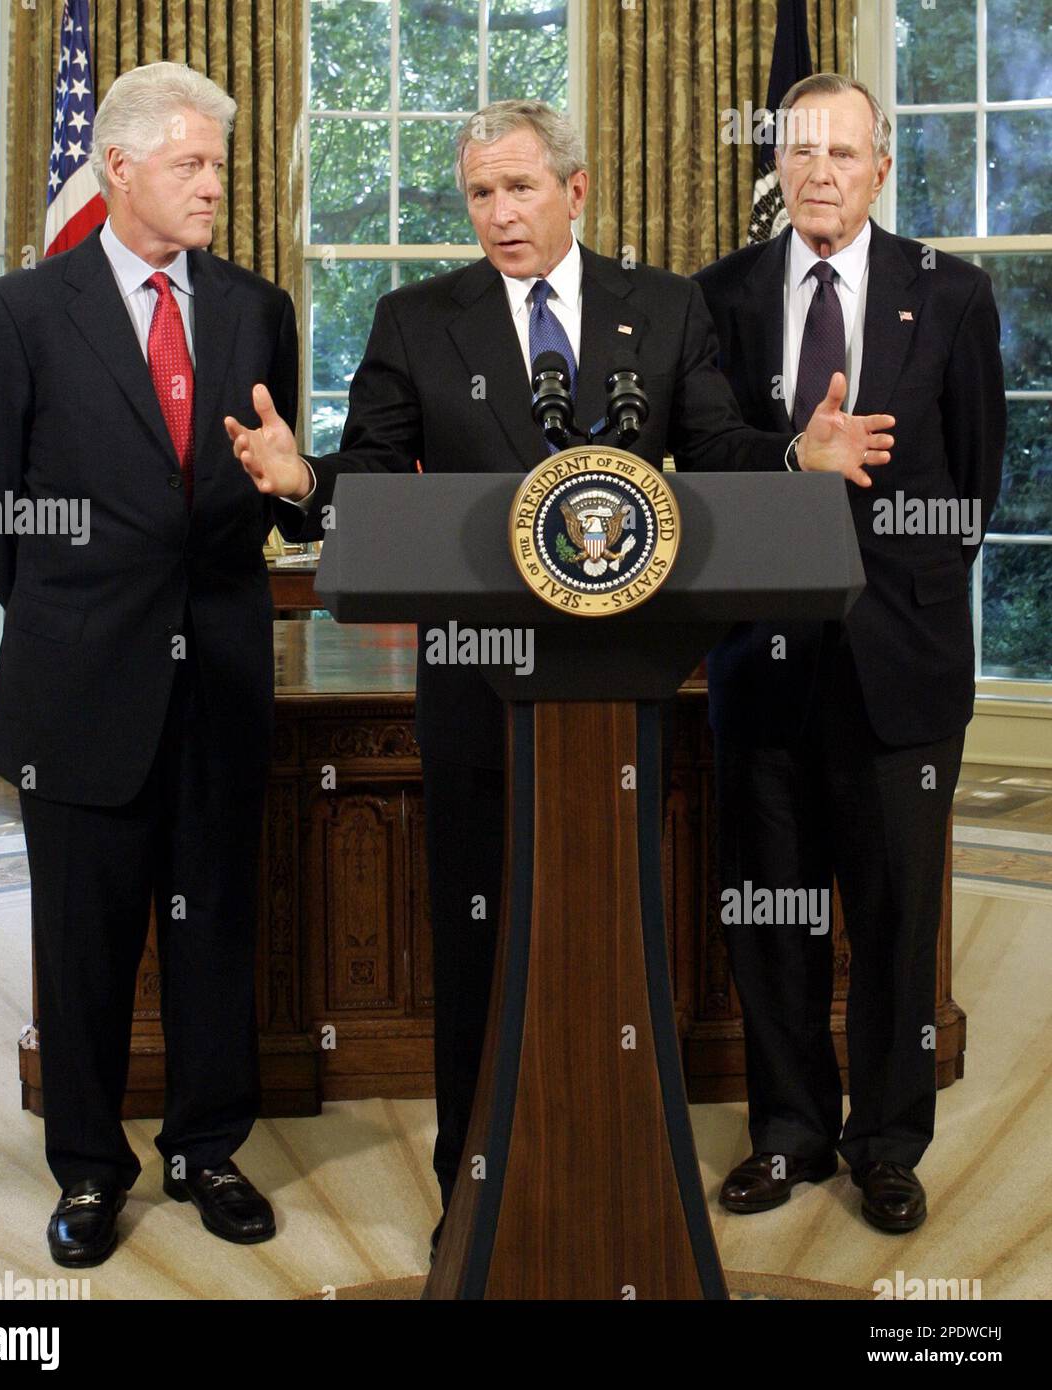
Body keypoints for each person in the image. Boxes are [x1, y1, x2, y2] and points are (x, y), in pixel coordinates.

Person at [224, 98, 896, 1262]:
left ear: (574, 191)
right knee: (479, 939)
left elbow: (720, 456)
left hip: (617, 692)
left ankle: (620, 1169)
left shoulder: (663, 306)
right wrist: (301, 480)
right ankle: (471, 1196)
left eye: (520, 189)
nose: (498, 215)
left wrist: (798, 456)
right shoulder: (415, 318)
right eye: (479, 194)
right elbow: (378, 478)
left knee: (609, 945)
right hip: (478, 694)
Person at [0, 62, 298, 1266]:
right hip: (78, 684)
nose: (213, 185)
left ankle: (207, 1147)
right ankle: (91, 1168)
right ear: (121, 167)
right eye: (192, 163)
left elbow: (267, 475)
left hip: (221, 684)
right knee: (85, 944)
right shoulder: (21, 314)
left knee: (212, 930)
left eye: (219, 165)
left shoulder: (255, 309)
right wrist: (67, 612)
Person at [687, 74, 1005, 1233]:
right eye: (798, 151)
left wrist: (904, 593)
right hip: (761, 663)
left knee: (893, 917)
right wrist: (791, 458)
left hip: (900, 668)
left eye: (842, 152)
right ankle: (787, 1130)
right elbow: (700, 463)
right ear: (774, 164)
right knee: (769, 913)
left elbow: (972, 479)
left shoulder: (951, 294)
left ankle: (885, 1140)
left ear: (879, 167)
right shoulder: (714, 297)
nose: (819, 171)